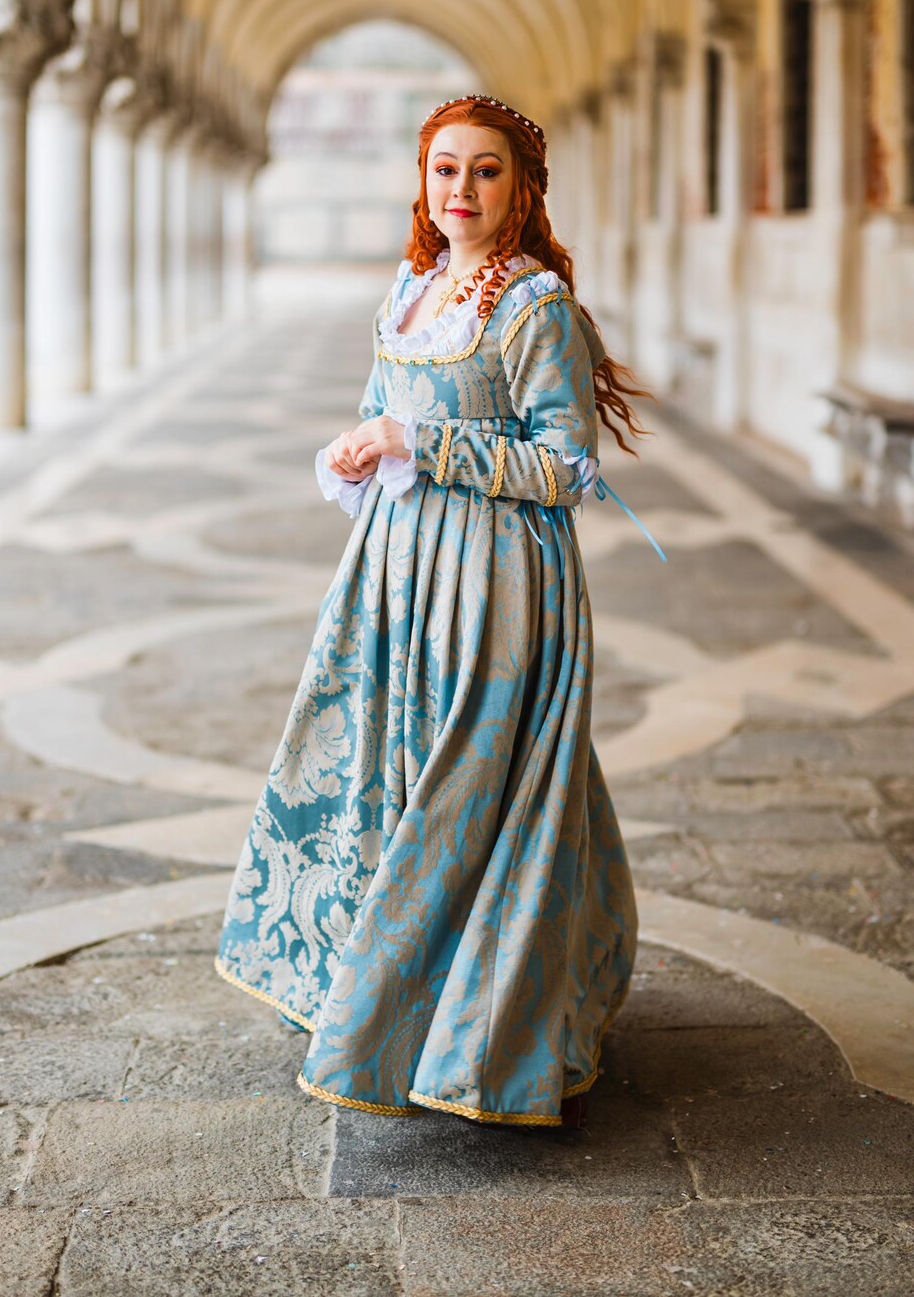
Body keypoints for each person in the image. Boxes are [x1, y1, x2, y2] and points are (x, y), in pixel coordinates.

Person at [215, 92, 662, 1129]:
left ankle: (474, 1037)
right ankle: (399, 1004)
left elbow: (566, 465)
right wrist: (359, 445)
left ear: (522, 187)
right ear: (423, 181)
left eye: (487, 170)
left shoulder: (535, 305)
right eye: (446, 168)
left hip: (499, 577)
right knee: (394, 768)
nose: (462, 189)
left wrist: (428, 448)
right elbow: (388, 410)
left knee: (469, 790)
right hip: (397, 567)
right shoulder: (412, 291)